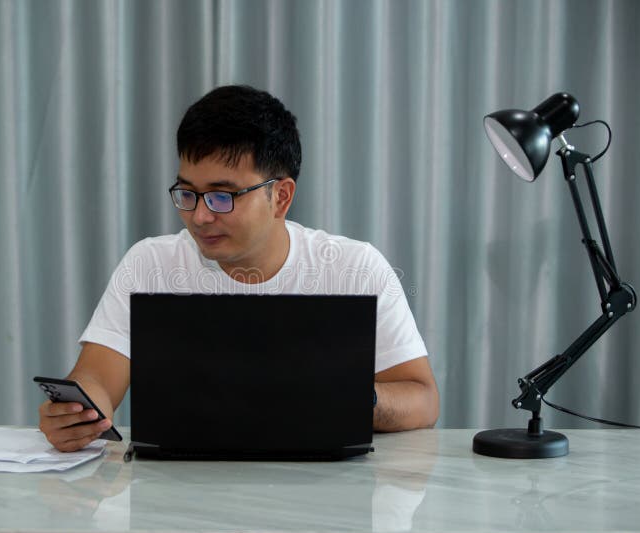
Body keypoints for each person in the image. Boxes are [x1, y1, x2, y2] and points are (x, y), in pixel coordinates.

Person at [39, 85, 439, 452]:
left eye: (221, 196)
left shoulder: (354, 267)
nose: (199, 217)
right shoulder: (151, 263)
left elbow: (422, 401)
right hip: (177, 495)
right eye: (188, 194)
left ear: (280, 197)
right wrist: (78, 413)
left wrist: (350, 396)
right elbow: (96, 378)